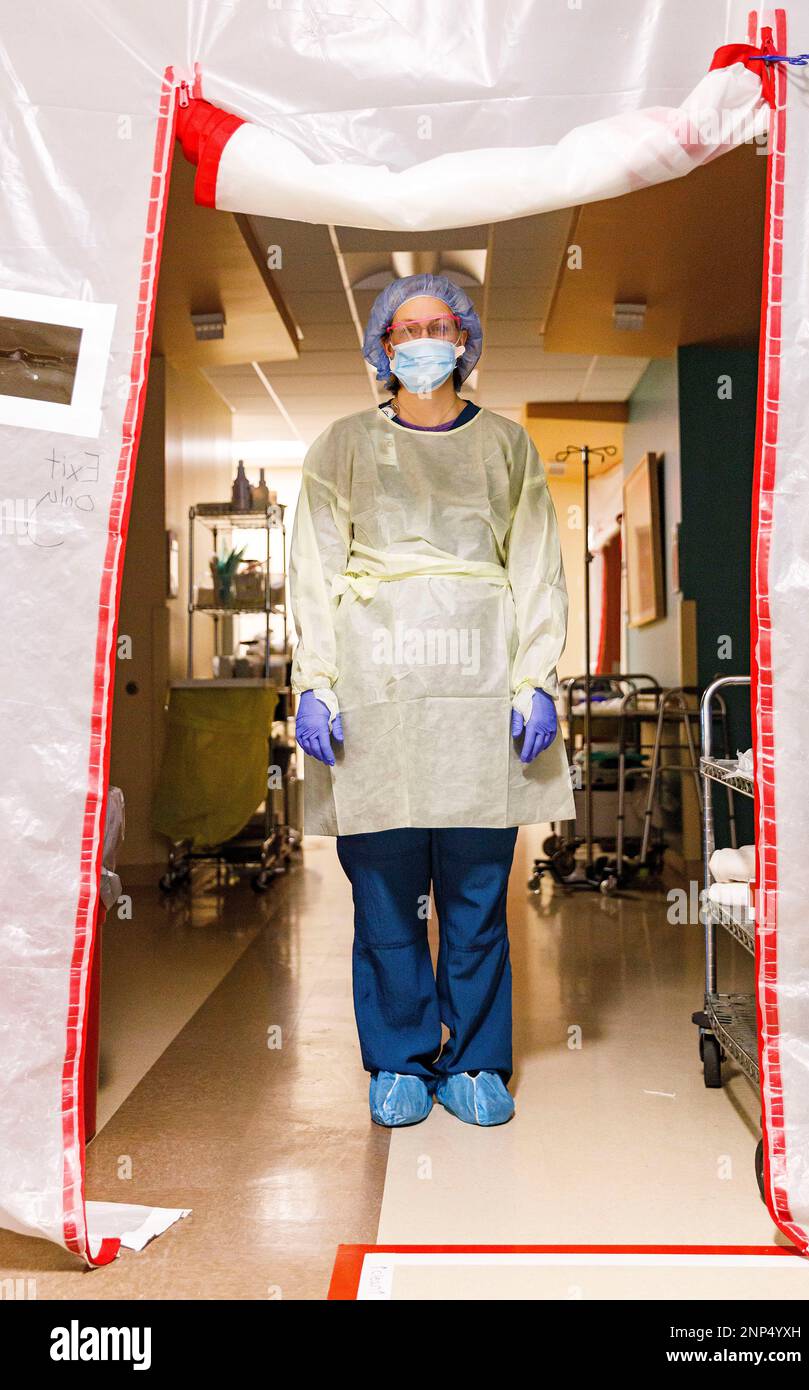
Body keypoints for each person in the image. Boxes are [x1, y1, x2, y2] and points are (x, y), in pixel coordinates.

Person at [289, 273, 574, 1128]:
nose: (422, 340)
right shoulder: (339, 446)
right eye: (405, 328)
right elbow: (311, 567)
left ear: (465, 341)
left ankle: (479, 1062)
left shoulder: (508, 447)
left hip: (480, 683)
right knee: (383, 894)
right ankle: (400, 1059)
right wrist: (315, 681)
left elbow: (536, 566)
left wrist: (536, 677)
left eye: (438, 325)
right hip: (373, 686)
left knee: (479, 895)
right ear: (381, 348)